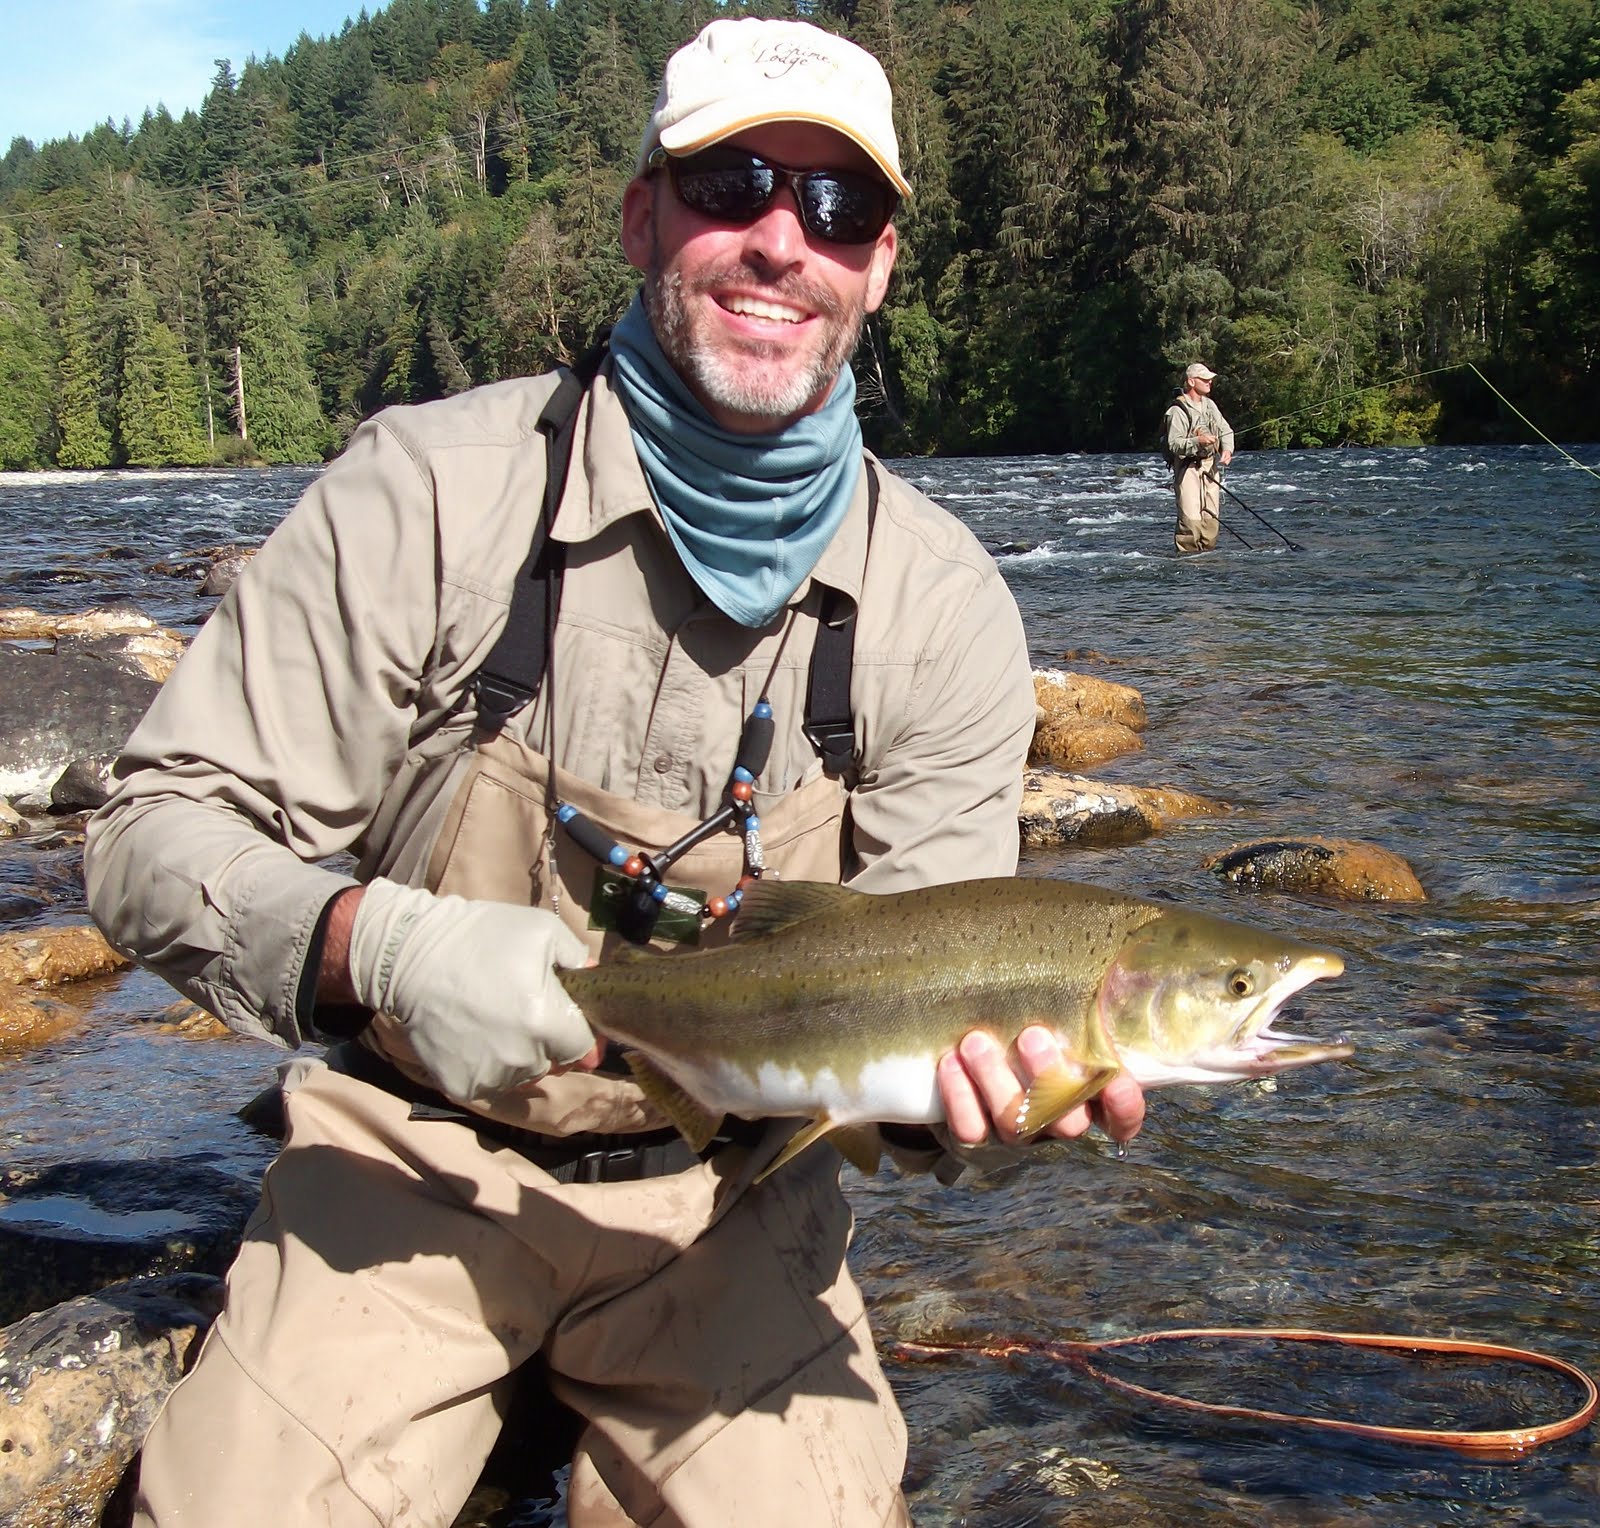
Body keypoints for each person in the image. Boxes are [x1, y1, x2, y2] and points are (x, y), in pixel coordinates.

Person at [85, 17, 1144, 1527]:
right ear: (644, 214)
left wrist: (979, 1118)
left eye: (836, 207)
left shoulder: (944, 604)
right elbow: (149, 829)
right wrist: (373, 944)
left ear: (881, 264)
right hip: (410, 1161)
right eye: (732, 186)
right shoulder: (430, 491)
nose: (782, 239)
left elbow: (925, 1044)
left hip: (736, 1208)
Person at [1164, 361, 1235, 554]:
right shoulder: (1177, 410)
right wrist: (1198, 441)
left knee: (1210, 522)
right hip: (1188, 468)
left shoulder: (1210, 405)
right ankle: (1188, 563)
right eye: (1204, 379)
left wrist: (1227, 449)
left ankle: (1207, 564)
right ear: (1191, 381)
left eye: (1210, 379)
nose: (1209, 382)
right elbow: (1173, 444)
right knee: (1191, 522)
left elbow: (1225, 430)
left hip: (1210, 466)